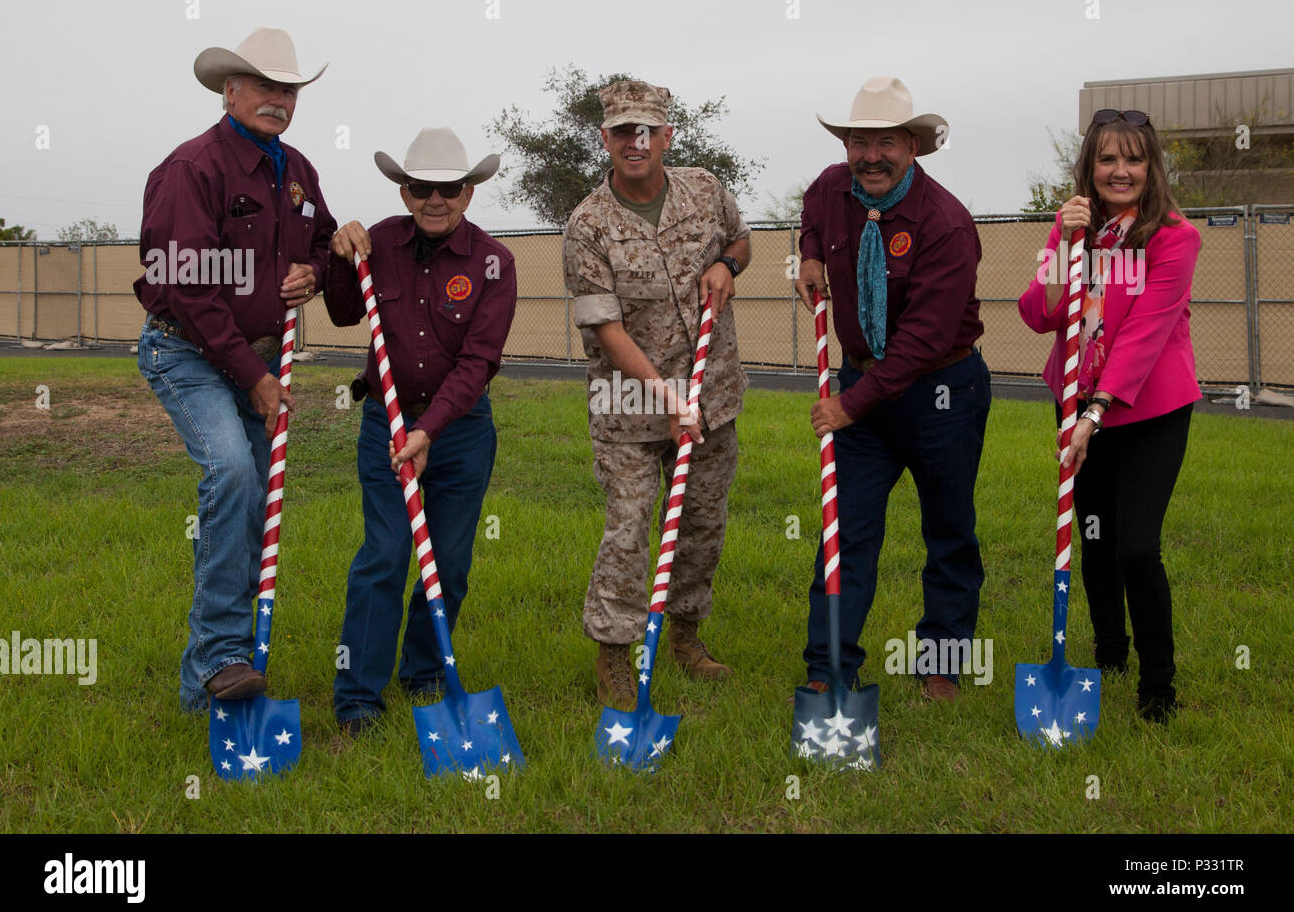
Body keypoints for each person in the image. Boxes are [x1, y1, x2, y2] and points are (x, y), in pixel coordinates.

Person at [134, 27, 335, 713]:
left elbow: (323, 246)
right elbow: (187, 287)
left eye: (288, 90)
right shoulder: (193, 169)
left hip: (256, 358)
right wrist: (253, 375)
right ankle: (221, 653)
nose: (278, 100)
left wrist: (317, 268)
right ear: (230, 90)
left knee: (251, 503)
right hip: (187, 351)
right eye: (265, 86)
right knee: (233, 472)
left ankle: (212, 679)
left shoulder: (298, 171)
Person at [793, 76, 991, 702]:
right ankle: (829, 668)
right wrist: (808, 255)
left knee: (949, 531)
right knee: (844, 533)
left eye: (885, 142)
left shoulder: (947, 226)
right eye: (858, 141)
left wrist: (848, 406)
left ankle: (941, 661)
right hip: (861, 383)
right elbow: (810, 214)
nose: (869, 156)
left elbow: (924, 343)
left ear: (912, 147)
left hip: (941, 392)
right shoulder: (832, 187)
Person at [563, 79, 751, 710]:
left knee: (701, 524)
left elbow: (740, 241)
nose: (635, 141)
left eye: (647, 130)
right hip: (631, 409)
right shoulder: (587, 226)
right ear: (606, 139)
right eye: (622, 131)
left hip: (712, 395)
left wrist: (727, 264)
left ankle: (687, 638)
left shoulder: (704, 190)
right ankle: (615, 656)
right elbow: (606, 330)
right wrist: (669, 400)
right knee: (629, 526)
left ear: (667, 136)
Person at [324, 127, 517, 736]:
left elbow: (479, 362)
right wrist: (337, 254)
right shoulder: (375, 242)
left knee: (450, 561)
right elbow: (342, 311)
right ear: (405, 192)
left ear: (468, 193)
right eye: (422, 187)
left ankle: (426, 674)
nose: (436, 199)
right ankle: (358, 696)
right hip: (387, 418)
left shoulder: (495, 263)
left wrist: (430, 430)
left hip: (459, 429)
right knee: (384, 554)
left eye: (449, 188)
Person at [1019, 109, 1201, 723]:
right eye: (1107, 159)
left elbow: (1146, 335)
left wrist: (1093, 416)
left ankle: (1158, 686)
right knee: (1092, 540)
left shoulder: (1174, 236)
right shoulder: (1075, 225)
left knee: (1135, 548)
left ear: (1151, 168)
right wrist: (1066, 244)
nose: (1120, 171)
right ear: (1089, 166)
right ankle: (1108, 655)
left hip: (1145, 409)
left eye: (1133, 159)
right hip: (1072, 398)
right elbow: (1041, 313)